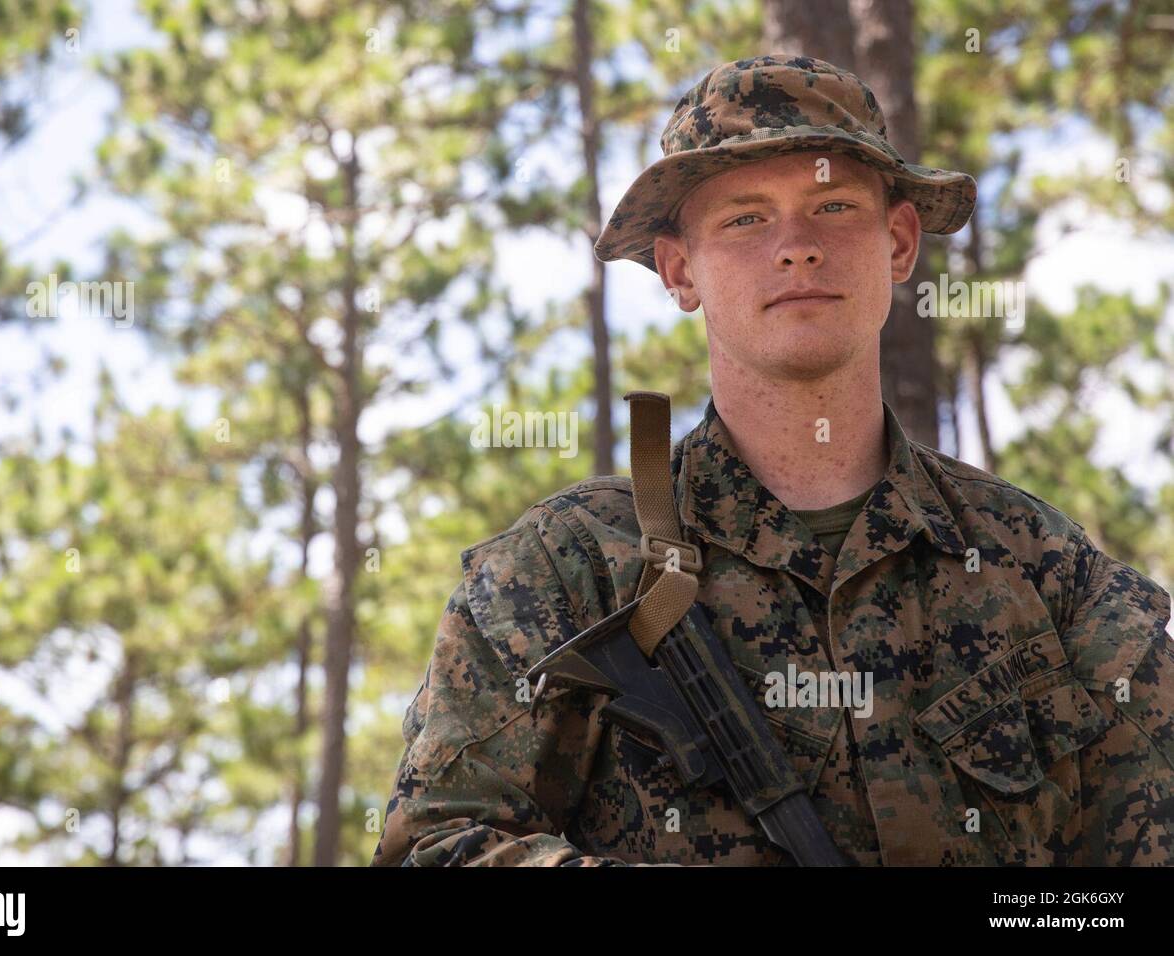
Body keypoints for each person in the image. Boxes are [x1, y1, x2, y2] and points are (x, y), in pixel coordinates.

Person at [370, 54, 1174, 866]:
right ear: (680, 269)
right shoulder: (563, 573)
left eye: (833, 206)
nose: (798, 248)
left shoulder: (1048, 573)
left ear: (897, 242)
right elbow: (432, 848)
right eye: (746, 220)